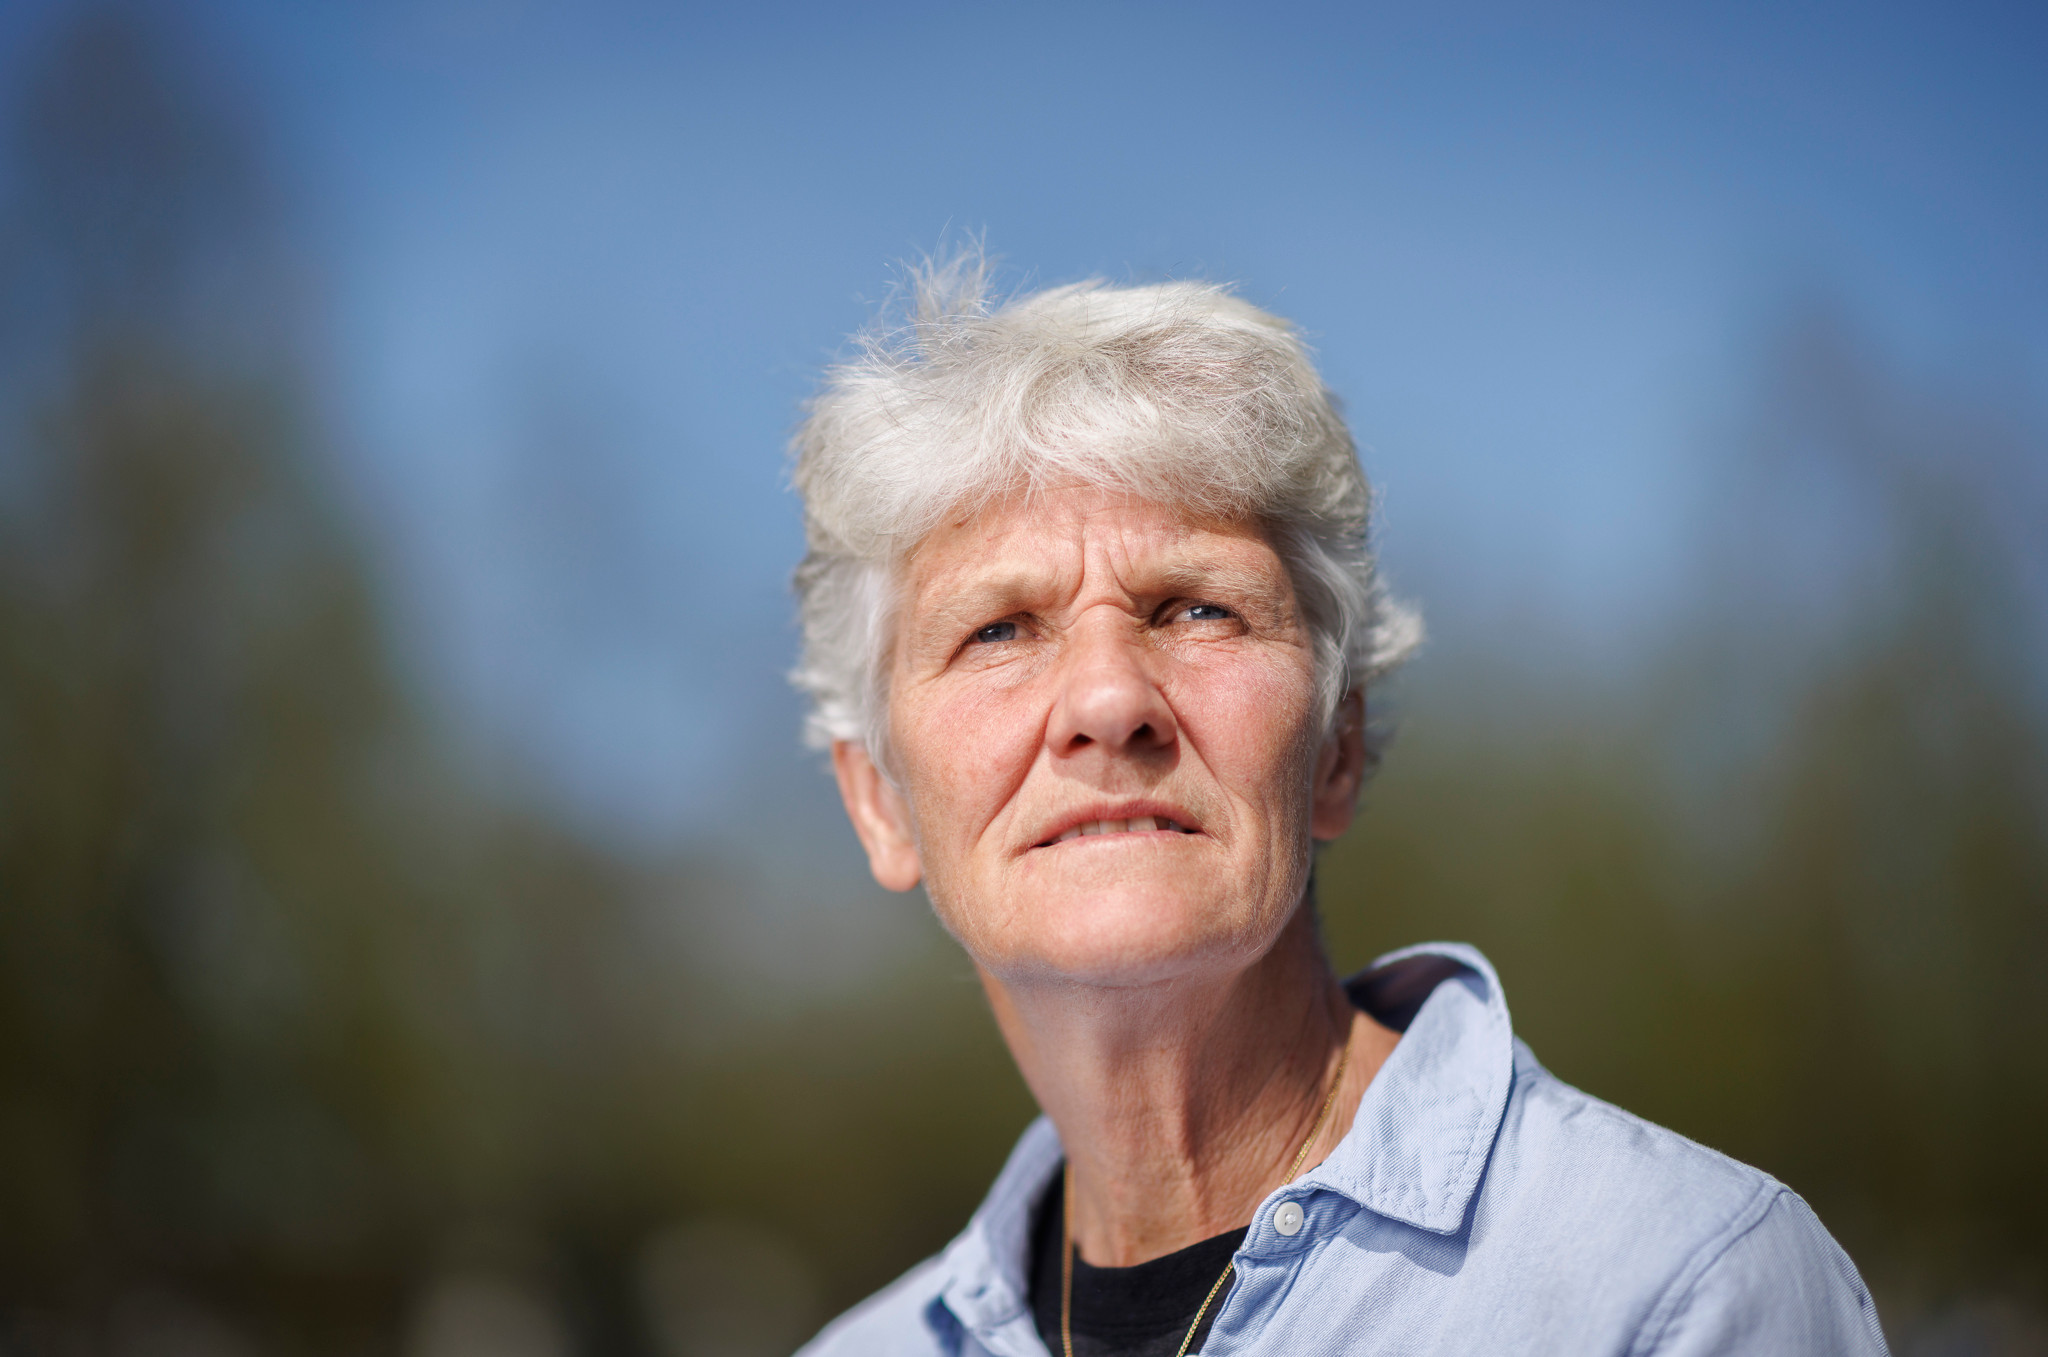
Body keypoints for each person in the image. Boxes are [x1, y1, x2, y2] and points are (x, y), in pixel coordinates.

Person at [787, 255, 1888, 1356]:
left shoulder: (1676, 1287)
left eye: (1194, 609)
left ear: (1335, 749)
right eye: (999, 628)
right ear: (878, 798)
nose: (1109, 699)